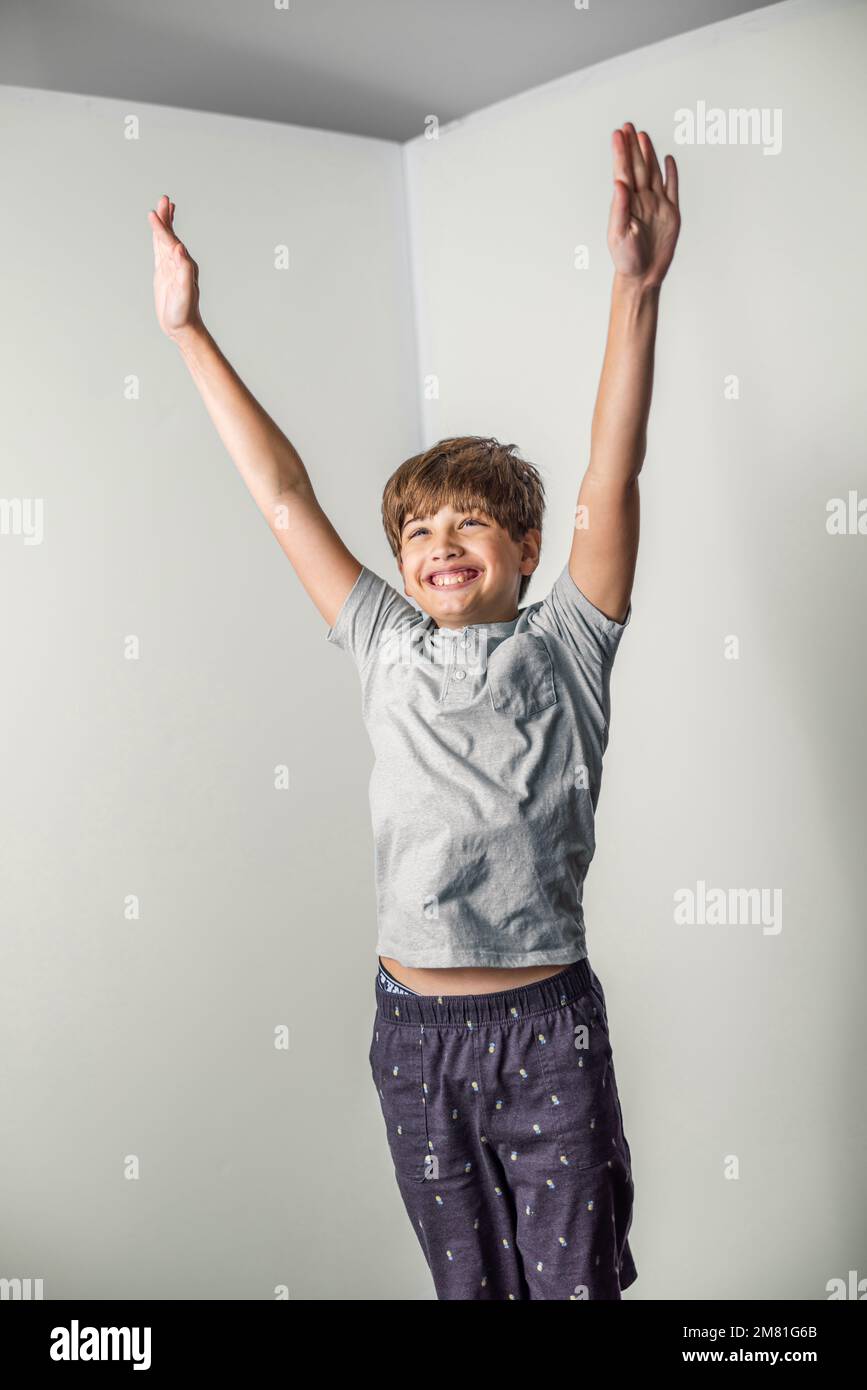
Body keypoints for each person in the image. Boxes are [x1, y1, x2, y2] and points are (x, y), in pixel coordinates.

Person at [147, 120, 680, 1299]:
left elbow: (612, 468)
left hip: (547, 1034)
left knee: (574, 1286)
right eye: (417, 530)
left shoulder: (569, 642)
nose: (438, 544)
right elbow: (283, 492)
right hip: (413, 1037)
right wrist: (189, 335)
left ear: (528, 549)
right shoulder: (382, 638)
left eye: (470, 522)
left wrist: (634, 292)